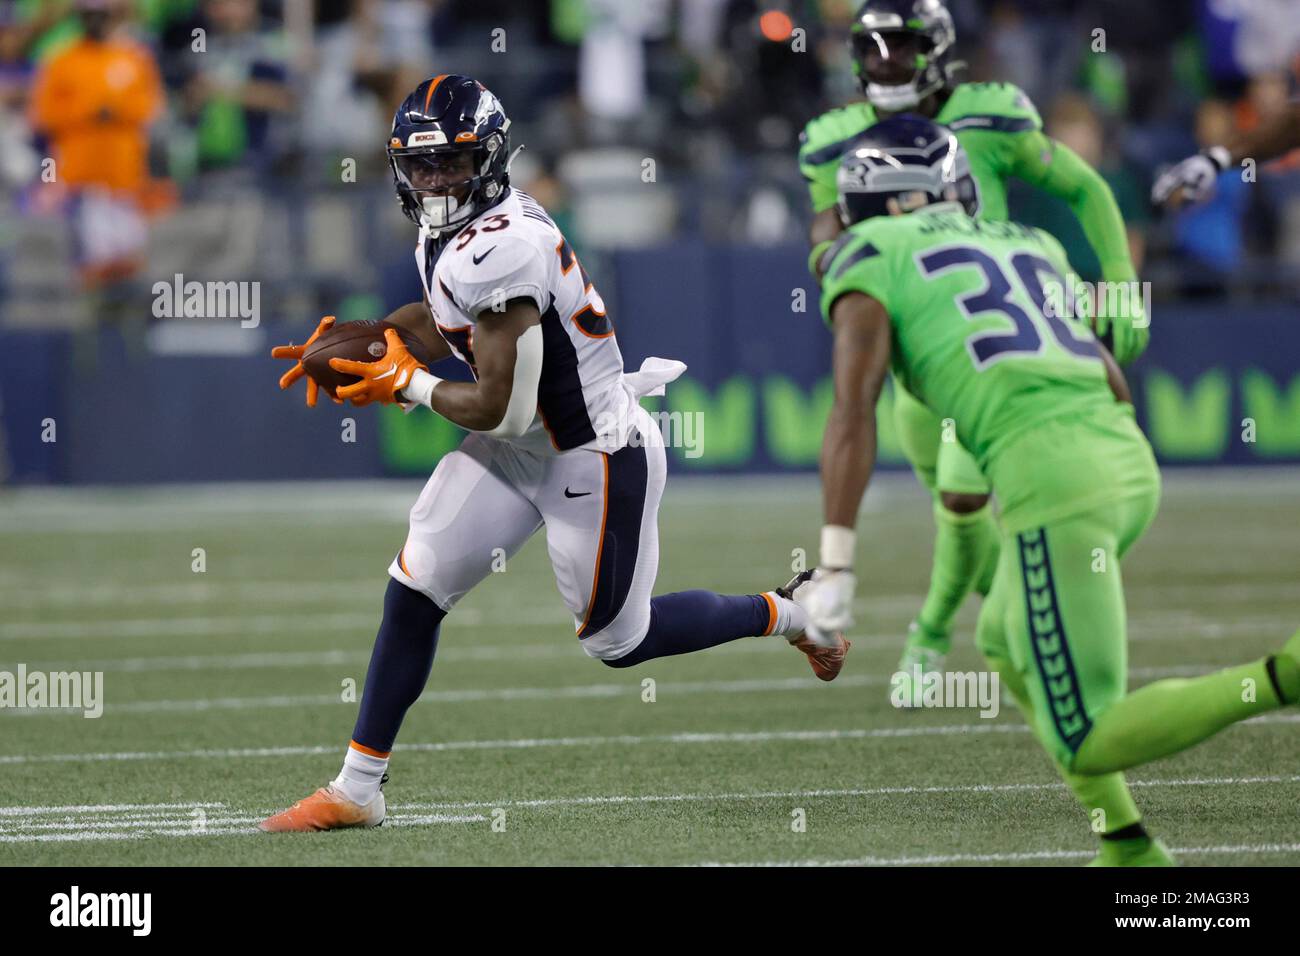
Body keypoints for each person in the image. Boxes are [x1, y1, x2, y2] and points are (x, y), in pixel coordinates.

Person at [258, 75, 845, 832]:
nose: (435, 180)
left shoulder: (502, 249)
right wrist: (376, 337)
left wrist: (403, 382)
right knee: (415, 585)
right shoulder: (455, 233)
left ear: (491, 158)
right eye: (421, 164)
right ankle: (357, 788)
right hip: (523, 447)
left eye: (453, 162)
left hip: (590, 453)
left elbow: (501, 408)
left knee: (619, 642)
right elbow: (445, 323)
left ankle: (793, 613)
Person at [801, 113, 1300, 865]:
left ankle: (1282, 676)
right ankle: (1127, 844)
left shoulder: (870, 251)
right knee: (1003, 637)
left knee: (1089, 735)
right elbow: (1106, 370)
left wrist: (836, 563)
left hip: (1054, 481)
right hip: (1124, 458)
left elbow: (851, 412)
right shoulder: (1027, 243)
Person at [798, 0, 1145, 704]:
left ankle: (947, 637)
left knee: (972, 502)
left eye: (902, 47)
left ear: (940, 51)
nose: (886, 63)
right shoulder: (832, 139)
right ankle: (998, 635)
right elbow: (825, 247)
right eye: (873, 50)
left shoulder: (991, 115)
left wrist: (1120, 286)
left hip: (998, 348)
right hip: (925, 355)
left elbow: (1084, 185)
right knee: (961, 521)